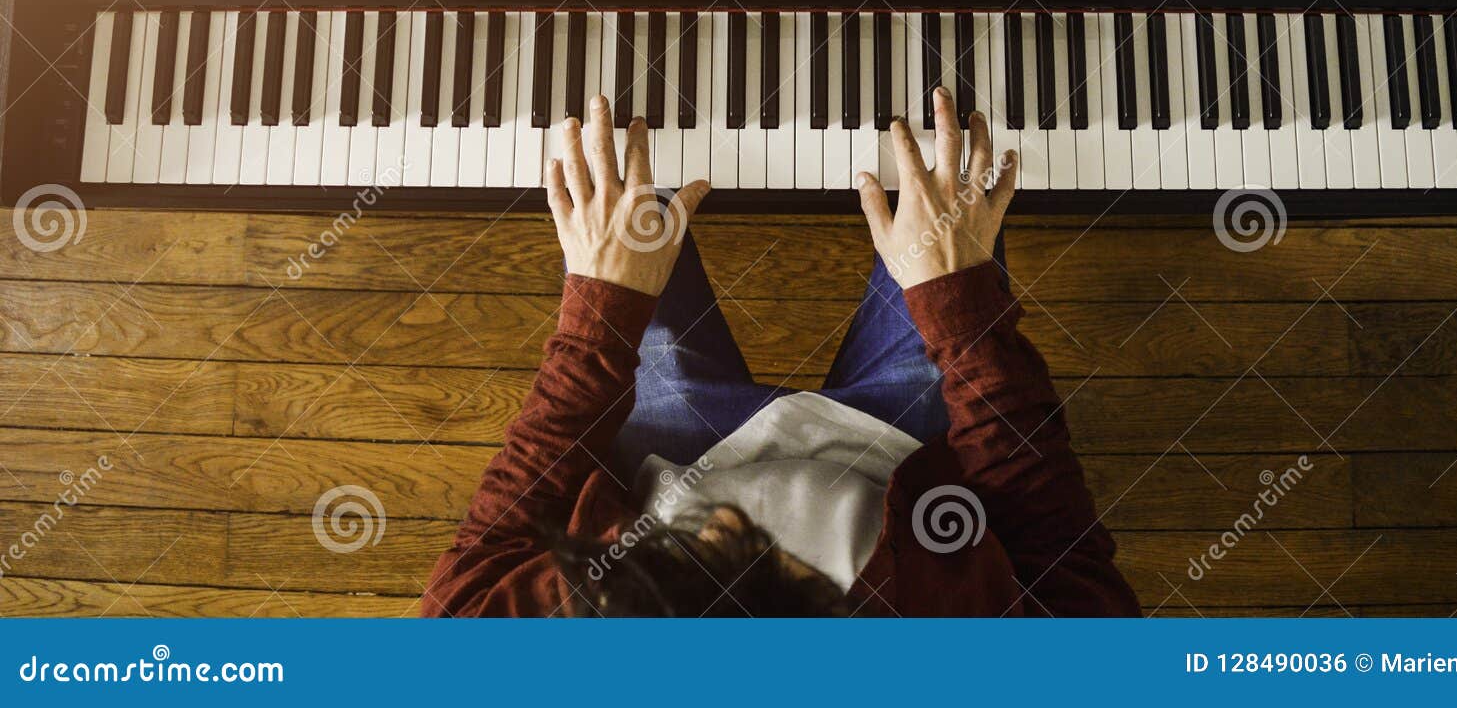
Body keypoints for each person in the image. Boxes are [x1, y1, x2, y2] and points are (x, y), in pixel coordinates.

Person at [420, 87, 1138, 617]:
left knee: (635, 164)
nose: (728, 520)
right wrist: (959, 302)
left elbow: (495, 543)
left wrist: (598, 318)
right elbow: (1054, 541)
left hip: (674, 457)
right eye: (755, 557)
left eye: (701, 552)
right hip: (908, 467)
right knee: (953, 175)